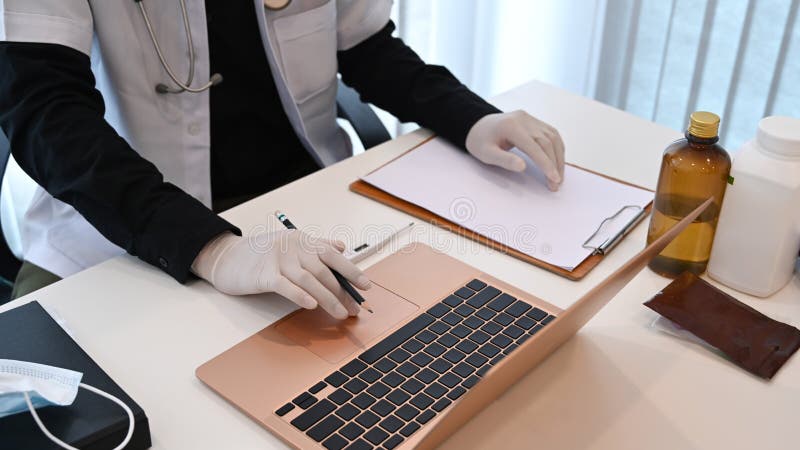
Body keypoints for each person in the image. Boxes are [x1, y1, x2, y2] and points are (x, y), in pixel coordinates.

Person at [0, 0, 565, 317]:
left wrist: (471, 117)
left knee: (402, 359)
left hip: (303, 205)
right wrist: (211, 248)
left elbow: (366, 46)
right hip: (111, 222)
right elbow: (45, 110)